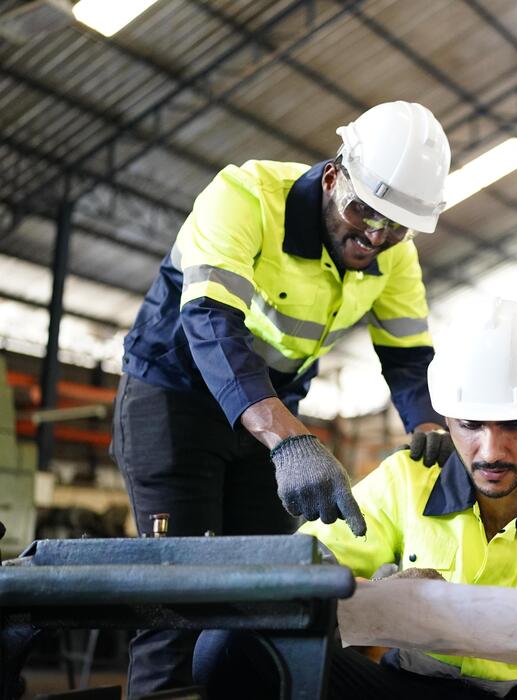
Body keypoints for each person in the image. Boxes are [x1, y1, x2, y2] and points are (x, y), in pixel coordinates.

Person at [112, 101, 455, 696]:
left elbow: (407, 357)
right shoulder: (243, 197)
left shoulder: (394, 256)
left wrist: (429, 424)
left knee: (261, 601)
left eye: (394, 226)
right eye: (364, 214)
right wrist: (288, 438)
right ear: (332, 177)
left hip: (266, 415)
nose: (374, 237)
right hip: (175, 400)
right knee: (177, 603)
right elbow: (212, 326)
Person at [194, 298, 517, 700]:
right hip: (404, 687)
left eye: (514, 424)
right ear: (446, 417)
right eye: (471, 425)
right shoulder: (406, 481)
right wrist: (366, 596)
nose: (492, 452)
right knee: (229, 646)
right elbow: (297, 571)